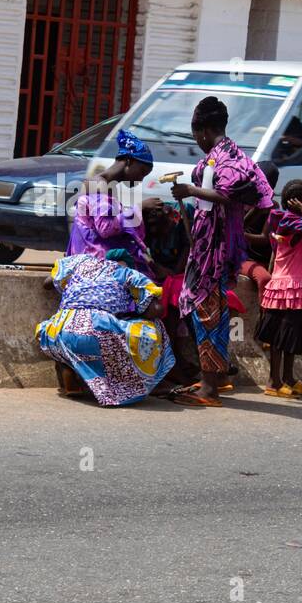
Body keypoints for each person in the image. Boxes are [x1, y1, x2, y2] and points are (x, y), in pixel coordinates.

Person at [167, 96, 274, 407]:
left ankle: (210, 389)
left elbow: (227, 195)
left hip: (215, 246)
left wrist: (190, 190)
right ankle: (213, 378)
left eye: (194, 135)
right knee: (211, 309)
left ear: (202, 131)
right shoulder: (233, 155)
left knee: (207, 310)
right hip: (213, 243)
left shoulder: (226, 159)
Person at [36, 249, 174, 407]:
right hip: (95, 331)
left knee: (58, 329)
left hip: (58, 333)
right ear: (128, 265)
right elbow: (156, 310)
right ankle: (122, 386)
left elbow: (47, 284)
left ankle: (67, 368)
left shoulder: (80, 261)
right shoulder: (128, 274)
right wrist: (135, 310)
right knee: (154, 327)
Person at [255, 179, 302, 398]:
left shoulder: (290, 221)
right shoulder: (291, 221)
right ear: (297, 204)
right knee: (278, 337)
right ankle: (274, 382)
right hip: (286, 286)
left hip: (292, 287)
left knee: (291, 335)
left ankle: (289, 379)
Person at [67, 128, 154, 276]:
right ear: (129, 161)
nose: (140, 180)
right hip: (93, 260)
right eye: (141, 172)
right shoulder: (100, 185)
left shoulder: (103, 184)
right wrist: (139, 208)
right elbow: (105, 228)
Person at [141, 196, 198, 386]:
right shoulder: (145, 224)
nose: (160, 234)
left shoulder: (183, 214)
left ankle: (176, 360)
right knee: (164, 306)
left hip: (181, 270)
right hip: (157, 271)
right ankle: (172, 363)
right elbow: (142, 250)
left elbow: (188, 246)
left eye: (163, 230)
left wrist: (174, 272)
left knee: (177, 299)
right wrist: (156, 267)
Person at [239, 161, 280, 303]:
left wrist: (240, 235)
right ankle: (264, 318)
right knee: (264, 278)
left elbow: (264, 237)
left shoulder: (272, 206)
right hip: (244, 259)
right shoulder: (240, 201)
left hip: (264, 258)